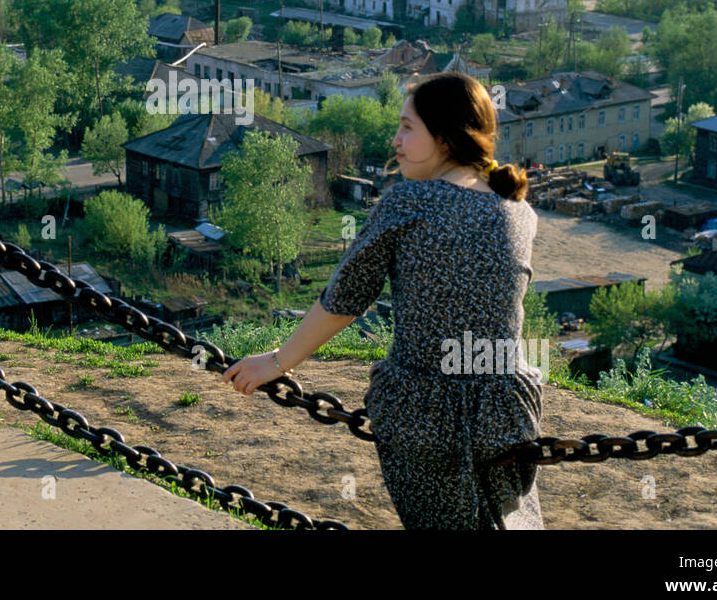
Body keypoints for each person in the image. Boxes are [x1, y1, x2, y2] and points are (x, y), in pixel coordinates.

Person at [222, 72, 543, 529]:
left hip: (425, 416)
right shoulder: (518, 211)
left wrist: (277, 361)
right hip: (506, 412)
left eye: (408, 127)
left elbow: (344, 299)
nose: (395, 140)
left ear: (447, 137)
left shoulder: (410, 200)